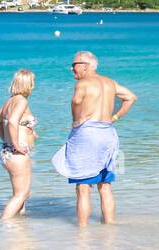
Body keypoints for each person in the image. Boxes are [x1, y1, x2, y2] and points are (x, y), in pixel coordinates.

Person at [51, 51, 137, 227]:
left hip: (88, 134)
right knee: (105, 185)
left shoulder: (83, 83)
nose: (71, 68)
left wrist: (75, 121)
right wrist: (115, 118)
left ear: (85, 65)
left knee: (83, 187)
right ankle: (109, 227)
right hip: (108, 133)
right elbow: (130, 97)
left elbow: (76, 102)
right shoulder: (110, 82)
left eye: (74, 64)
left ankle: (82, 232)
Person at [0, 69, 38, 221]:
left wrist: (6, 139)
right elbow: (12, 121)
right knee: (21, 194)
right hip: (16, 152)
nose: (33, 86)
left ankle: (19, 226)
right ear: (28, 84)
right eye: (32, 83)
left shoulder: (9, 101)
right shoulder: (22, 101)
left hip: (7, 151)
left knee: (21, 193)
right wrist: (16, 144)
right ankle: (4, 223)